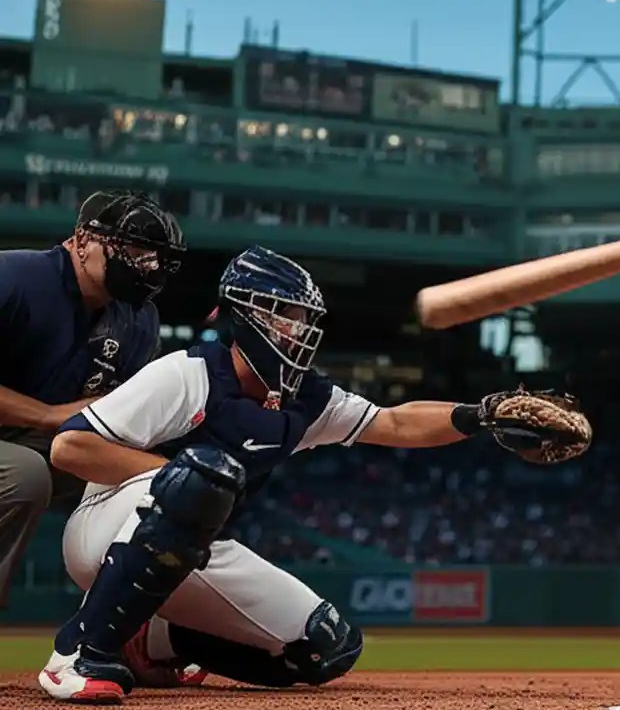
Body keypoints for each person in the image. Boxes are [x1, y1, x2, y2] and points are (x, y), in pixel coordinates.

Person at [37, 244, 589, 704]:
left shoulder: (306, 400)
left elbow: (394, 423)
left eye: (301, 318)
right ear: (243, 314)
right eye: (284, 314)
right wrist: (179, 472)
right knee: (203, 476)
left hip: (194, 552)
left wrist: (480, 414)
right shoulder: (187, 374)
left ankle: (156, 642)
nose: (296, 329)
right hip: (104, 529)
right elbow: (71, 446)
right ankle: (79, 652)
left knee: (326, 648)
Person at [0, 189, 185, 612]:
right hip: (28, 447)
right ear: (82, 240)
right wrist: (48, 415)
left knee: (164, 481)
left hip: (36, 442)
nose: (146, 266)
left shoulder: (138, 319)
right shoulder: (14, 276)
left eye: (153, 257)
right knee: (24, 474)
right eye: (133, 251)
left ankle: (130, 630)